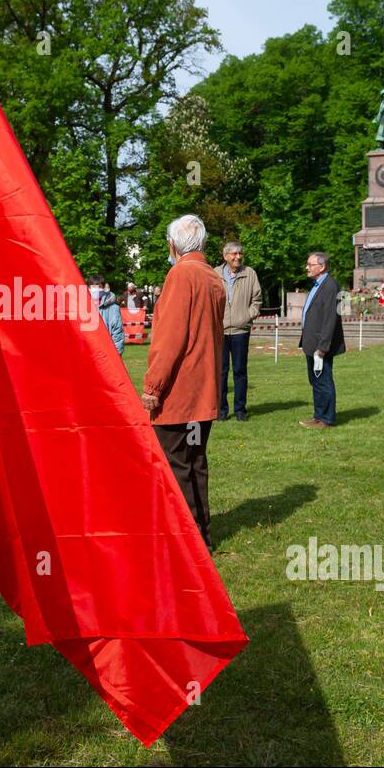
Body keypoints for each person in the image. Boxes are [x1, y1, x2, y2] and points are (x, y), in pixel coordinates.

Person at [140, 214, 224, 552]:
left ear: (174, 245)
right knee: (195, 461)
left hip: (180, 391)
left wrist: (153, 387)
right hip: (204, 389)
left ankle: (189, 540)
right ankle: (200, 532)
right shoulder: (212, 277)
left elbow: (169, 339)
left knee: (177, 466)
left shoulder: (181, 275)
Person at [215, 240, 262, 421]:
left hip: (241, 331)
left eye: (240, 253)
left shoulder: (249, 273)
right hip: (220, 331)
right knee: (221, 371)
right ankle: (221, 410)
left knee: (240, 371)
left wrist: (247, 316)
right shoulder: (214, 273)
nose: (238, 257)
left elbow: (257, 299)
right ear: (225, 256)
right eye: (234, 254)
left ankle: (240, 410)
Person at [298, 252, 345, 429]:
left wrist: (323, 346)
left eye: (310, 264)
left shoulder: (330, 286)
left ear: (322, 267)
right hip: (313, 343)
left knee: (323, 380)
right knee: (316, 381)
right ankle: (318, 416)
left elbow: (330, 319)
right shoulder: (318, 285)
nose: (307, 267)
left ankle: (326, 419)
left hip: (321, 345)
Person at [87, 275, 124, 355]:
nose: (96, 289)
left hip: (107, 352)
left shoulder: (114, 308)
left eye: (99, 286)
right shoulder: (82, 306)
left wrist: (116, 354)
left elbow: (117, 332)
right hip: (88, 352)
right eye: (93, 286)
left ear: (103, 288)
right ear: (88, 288)